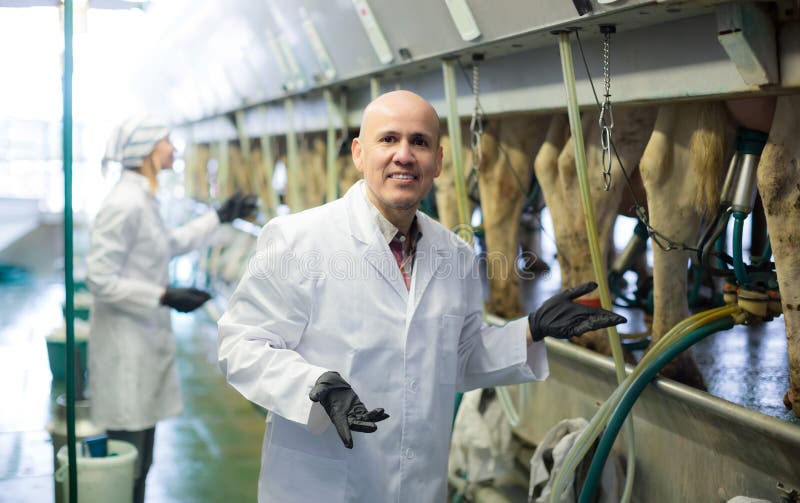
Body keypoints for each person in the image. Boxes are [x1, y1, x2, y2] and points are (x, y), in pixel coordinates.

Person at [217, 91, 625, 502]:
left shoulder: (456, 255)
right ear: (359, 153)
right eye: (388, 139)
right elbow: (240, 344)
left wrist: (531, 331)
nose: (404, 155)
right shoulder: (299, 240)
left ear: (439, 162)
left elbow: (457, 360)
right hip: (321, 487)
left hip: (417, 486)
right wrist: (314, 385)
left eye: (420, 142)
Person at [87, 117, 257, 503]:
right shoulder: (124, 203)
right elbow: (99, 278)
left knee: (140, 450)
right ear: (147, 150)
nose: (173, 149)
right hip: (124, 343)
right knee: (128, 448)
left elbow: (166, 244)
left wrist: (219, 216)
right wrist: (162, 295)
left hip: (141, 338)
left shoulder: (142, 198)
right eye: (166, 141)